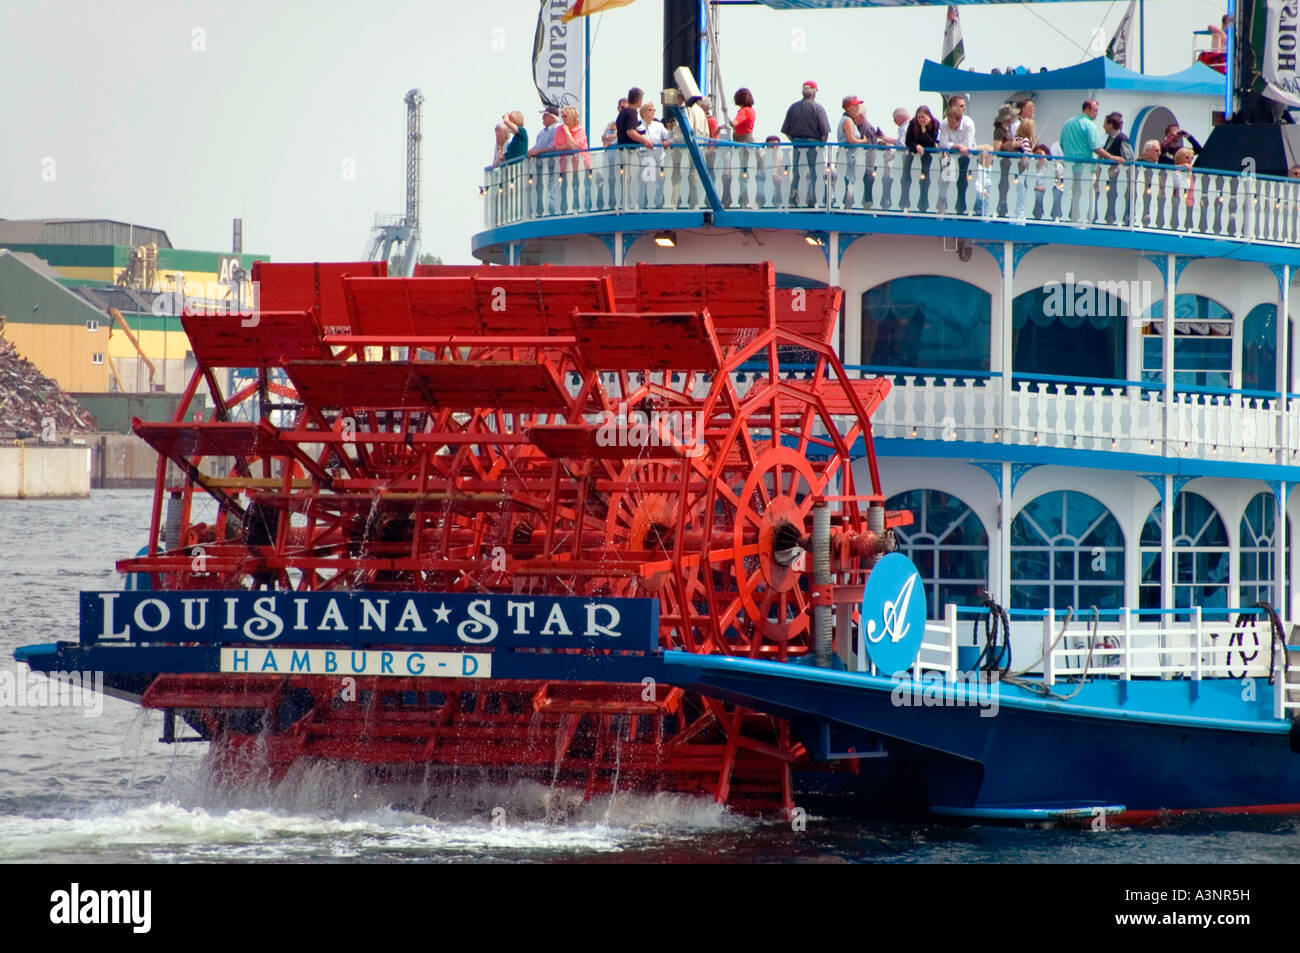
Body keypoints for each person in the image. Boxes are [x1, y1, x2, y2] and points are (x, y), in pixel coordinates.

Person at [1059, 100, 1123, 222]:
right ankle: (1083, 225)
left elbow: (1062, 144)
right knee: (1086, 199)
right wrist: (1113, 157)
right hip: (1085, 168)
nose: (1097, 113)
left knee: (1073, 197)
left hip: (1069, 167)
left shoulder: (1068, 123)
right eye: (1095, 110)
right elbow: (1096, 147)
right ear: (1087, 109)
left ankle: (1073, 222)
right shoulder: (1089, 125)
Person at [781, 81, 830, 207]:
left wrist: (795, 142)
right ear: (813, 92)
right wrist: (821, 146)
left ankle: (793, 200)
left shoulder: (793, 107)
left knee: (797, 173)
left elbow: (786, 131)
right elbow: (824, 132)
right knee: (815, 174)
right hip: (813, 145)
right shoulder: (818, 108)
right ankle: (814, 201)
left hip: (797, 145)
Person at [936, 102, 975, 213]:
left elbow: (967, 145)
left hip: (965, 158)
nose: (950, 124)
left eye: (952, 122)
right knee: (944, 181)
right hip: (948, 157)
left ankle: (961, 208)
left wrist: (953, 146)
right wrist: (956, 146)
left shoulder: (968, 125)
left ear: (959, 120)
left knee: (962, 182)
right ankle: (943, 208)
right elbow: (943, 143)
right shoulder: (944, 124)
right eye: (949, 121)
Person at [553, 105, 590, 212]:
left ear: (573, 117)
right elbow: (556, 147)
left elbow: (575, 147)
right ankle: (566, 211)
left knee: (581, 190)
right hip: (565, 168)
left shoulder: (580, 131)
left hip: (580, 168)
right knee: (565, 190)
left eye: (565, 116)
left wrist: (567, 132)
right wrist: (567, 147)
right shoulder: (558, 130)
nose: (563, 119)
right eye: (562, 116)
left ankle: (582, 210)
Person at [1100, 111, 1134, 224]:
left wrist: (1116, 169)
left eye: (1105, 123)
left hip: (1117, 179)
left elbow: (1129, 158)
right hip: (1108, 178)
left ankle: (1114, 221)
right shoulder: (1110, 138)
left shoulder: (1122, 139)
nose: (1103, 126)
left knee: (1114, 199)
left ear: (1110, 125)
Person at [903, 104, 937, 212]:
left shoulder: (935, 125)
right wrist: (916, 146)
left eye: (923, 117)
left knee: (925, 181)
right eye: (919, 117)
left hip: (927, 157)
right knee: (907, 178)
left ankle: (923, 205)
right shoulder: (912, 124)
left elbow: (931, 143)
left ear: (929, 116)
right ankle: (906, 203)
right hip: (914, 155)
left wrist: (923, 131)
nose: (921, 119)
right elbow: (908, 141)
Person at [529, 105, 561, 215]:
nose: (543, 117)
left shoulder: (556, 129)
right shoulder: (541, 132)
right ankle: (539, 211)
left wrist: (537, 152)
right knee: (539, 189)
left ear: (552, 117)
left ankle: (551, 212)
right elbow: (537, 146)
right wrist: (531, 151)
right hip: (539, 166)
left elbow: (552, 147)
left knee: (550, 188)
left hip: (551, 165)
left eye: (545, 115)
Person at [838, 95, 868, 207]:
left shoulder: (847, 120)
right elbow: (851, 139)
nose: (857, 108)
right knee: (847, 182)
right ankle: (849, 206)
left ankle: (847, 205)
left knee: (847, 183)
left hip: (848, 157)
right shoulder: (848, 121)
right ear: (848, 107)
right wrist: (863, 141)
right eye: (855, 106)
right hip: (848, 158)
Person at [640, 102, 670, 208]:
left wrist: (667, 141)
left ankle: (658, 203)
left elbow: (668, 136)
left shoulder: (659, 126)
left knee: (659, 181)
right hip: (645, 159)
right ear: (643, 113)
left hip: (658, 159)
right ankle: (644, 204)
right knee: (645, 182)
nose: (653, 112)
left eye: (654, 110)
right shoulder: (638, 126)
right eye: (650, 110)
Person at [732, 88, 757, 207]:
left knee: (742, 173)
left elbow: (736, 122)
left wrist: (730, 122)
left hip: (743, 142)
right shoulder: (751, 111)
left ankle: (744, 200)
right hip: (748, 141)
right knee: (747, 172)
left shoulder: (744, 111)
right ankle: (746, 199)